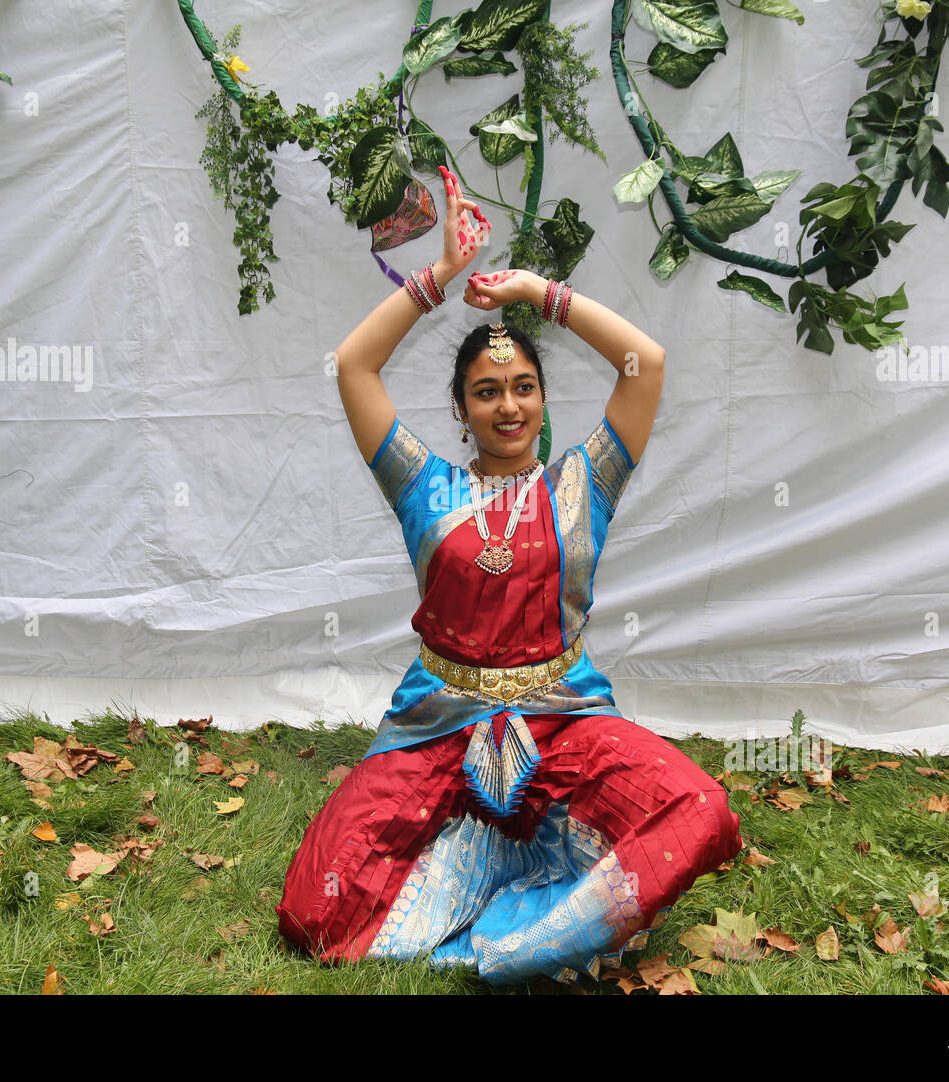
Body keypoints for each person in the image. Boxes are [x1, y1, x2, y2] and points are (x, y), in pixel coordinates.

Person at [275, 164, 741, 986]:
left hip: (563, 717)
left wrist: (535, 289)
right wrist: (443, 273)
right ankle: (505, 887)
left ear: (542, 395)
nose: (508, 406)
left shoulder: (583, 482)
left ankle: (519, 948)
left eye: (523, 387)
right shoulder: (425, 487)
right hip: (439, 727)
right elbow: (353, 366)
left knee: (696, 809)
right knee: (317, 906)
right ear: (461, 410)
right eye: (486, 392)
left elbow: (646, 362)